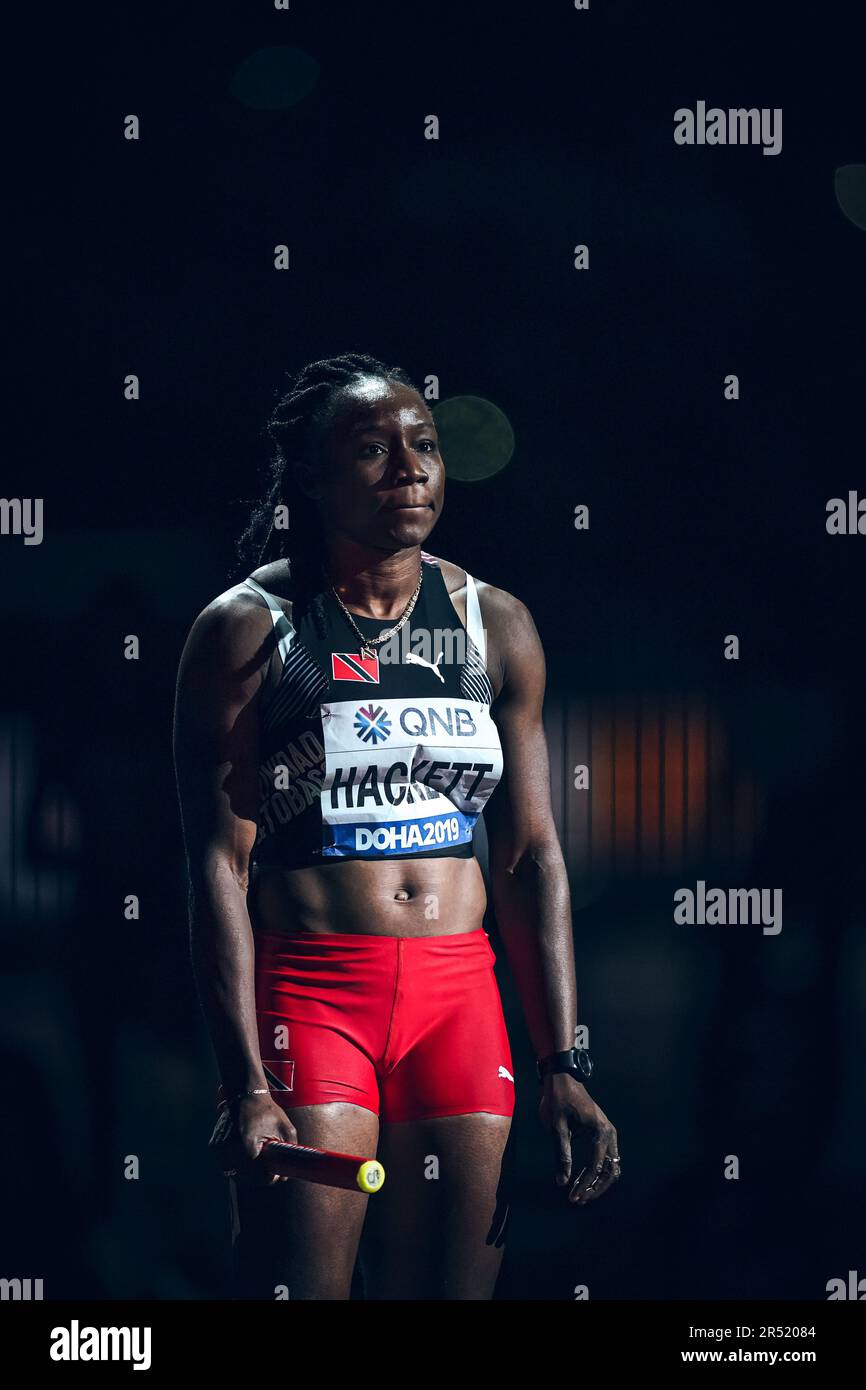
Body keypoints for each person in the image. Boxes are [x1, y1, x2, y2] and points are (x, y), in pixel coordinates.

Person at [172, 351, 620, 1300]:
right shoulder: (250, 628)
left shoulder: (493, 624)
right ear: (313, 477)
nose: (408, 467)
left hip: (459, 995)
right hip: (316, 991)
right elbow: (218, 863)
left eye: (423, 444)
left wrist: (562, 1059)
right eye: (372, 449)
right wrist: (243, 1083)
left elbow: (533, 854)